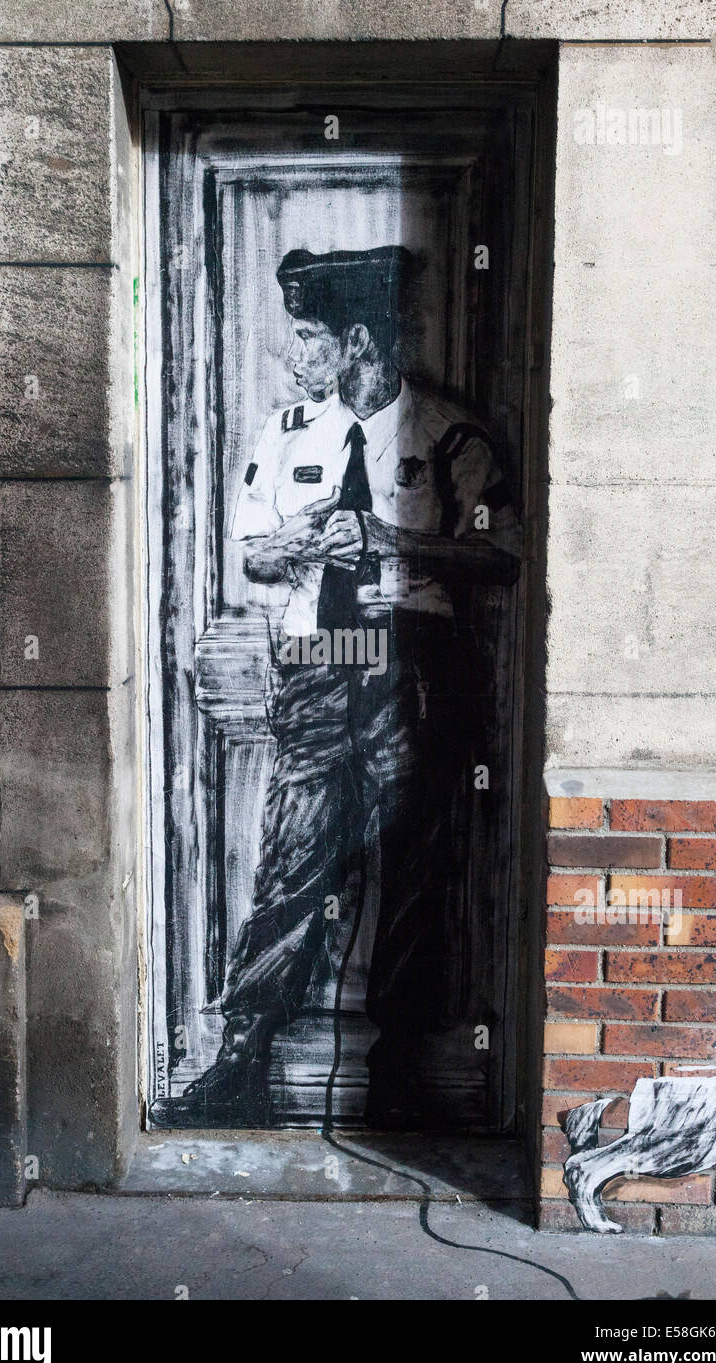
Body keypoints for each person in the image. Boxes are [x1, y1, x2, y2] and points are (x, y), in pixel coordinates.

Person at [150, 245, 522, 1128]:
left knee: (414, 875)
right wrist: (304, 541)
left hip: (415, 670)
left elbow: (502, 553)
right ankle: (239, 1064)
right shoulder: (286, 436)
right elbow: (249, 557)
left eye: (310, 337)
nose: (295, 355)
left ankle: (397, 1079)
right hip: (320, 664)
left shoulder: (448, 435)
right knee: (289, 867)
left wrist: (394, 541)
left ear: (356, 339)